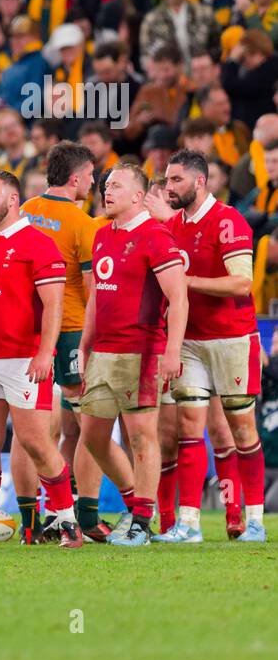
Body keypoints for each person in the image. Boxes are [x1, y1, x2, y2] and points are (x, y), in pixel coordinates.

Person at [0, 171, 81, 549]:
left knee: (37, 443)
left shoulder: (38, 244)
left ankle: (66, 521)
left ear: (12, 200)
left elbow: (55, 304)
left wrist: (44, 353)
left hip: (24, 359)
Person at [152, 151, 267, 543]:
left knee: (242, 429)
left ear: (200, 183)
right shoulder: (175, 226)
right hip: (190, 341)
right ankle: (189, 524)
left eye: (176, 181)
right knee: (188, 429)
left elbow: (241, 284)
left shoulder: (228, 221)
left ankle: (254, 519)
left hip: (232, 338)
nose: (169, 188)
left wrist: (189, 282)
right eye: (167, 181)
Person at [77, 164, 188, 547]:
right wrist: (84, 344)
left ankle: (142, 520)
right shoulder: (102, 235)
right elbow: (96, 297)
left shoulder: (156, 236)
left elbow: (178, 297)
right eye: (106, 186)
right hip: (103, 353)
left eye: (116, 187)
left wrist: (172, 351)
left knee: (142, 437)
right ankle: (135, 503)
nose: (107, 192)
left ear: (139, 197)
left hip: (142, 351)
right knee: (91, 436)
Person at [19, 142, 117, 543]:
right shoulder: (82, 224)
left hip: (27, 331)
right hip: (74, 330)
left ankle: (32, 523)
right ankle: (89, 516)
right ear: (76, 178)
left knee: (33, 428)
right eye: (92, 176)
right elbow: (96, 290)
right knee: (90, 424)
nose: (94, 183)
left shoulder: (23, 211)